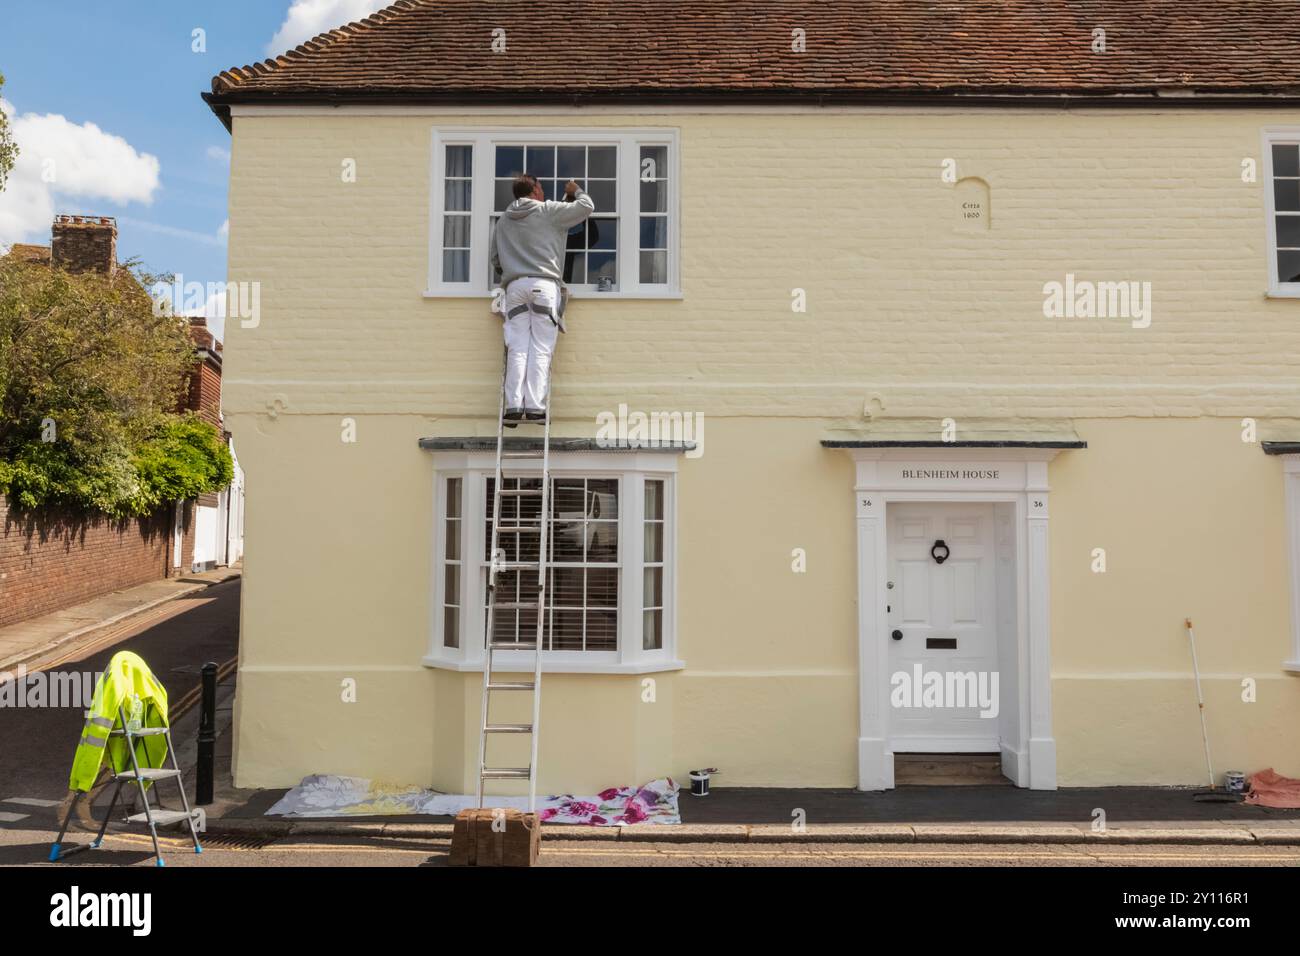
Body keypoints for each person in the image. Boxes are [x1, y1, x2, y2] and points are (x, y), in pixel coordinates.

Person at [489, 174, 595, 424]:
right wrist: (576, 190)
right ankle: (535, 407)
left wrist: (514, 270)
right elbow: (586, 207)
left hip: (514, 288)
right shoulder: (548, 210)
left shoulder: (504, 220)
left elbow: (495, 259)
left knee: (517, 348)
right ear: (535, 190)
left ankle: (514, 406)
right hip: (543, 286)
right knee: (540, 348)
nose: (544, 193)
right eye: (542, 189)